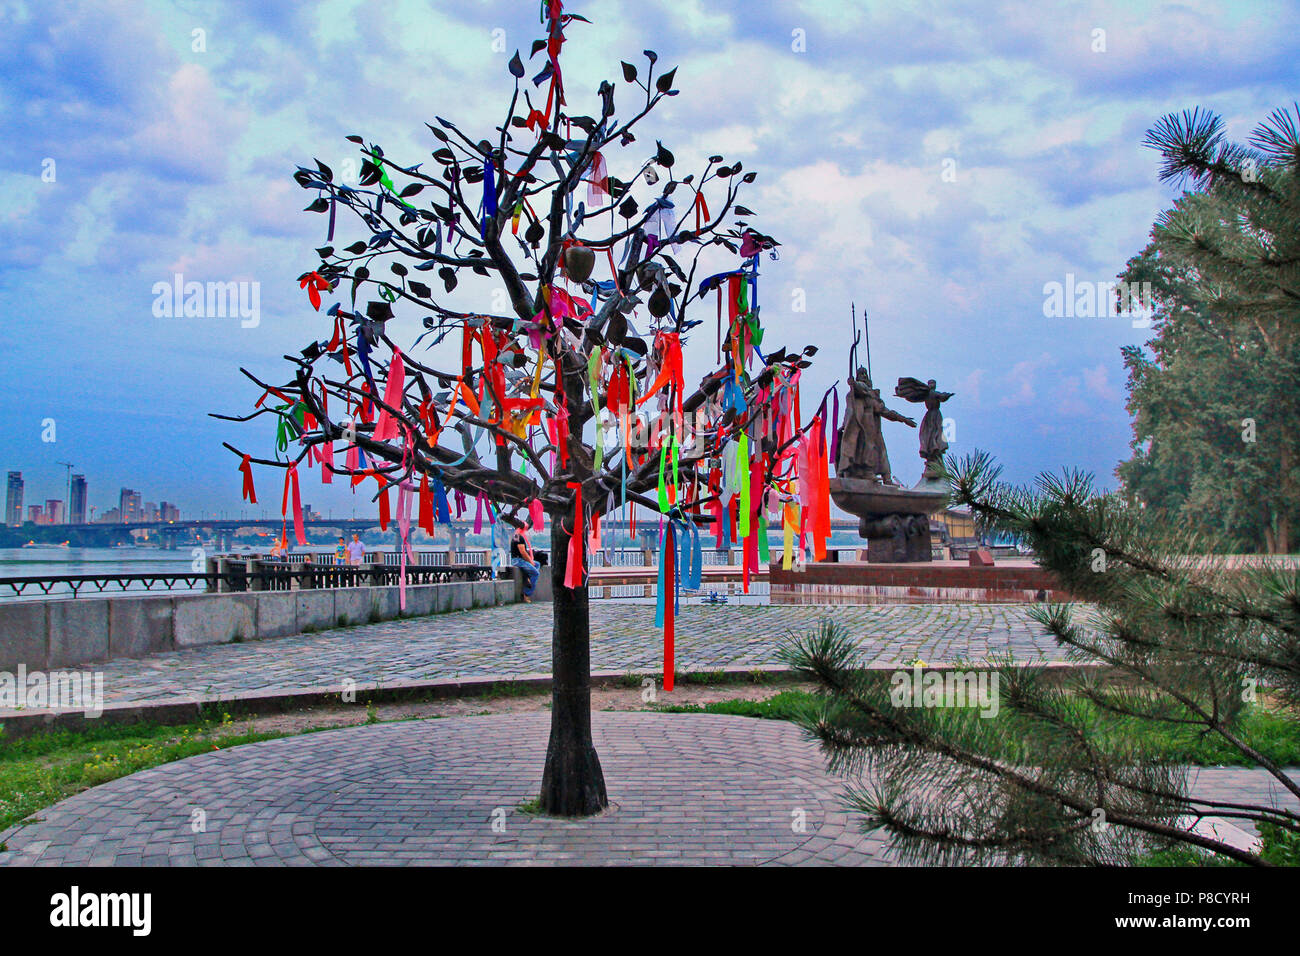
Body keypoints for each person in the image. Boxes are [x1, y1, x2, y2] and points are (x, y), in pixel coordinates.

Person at [509, 518, 540, 602]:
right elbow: (522, 552)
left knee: (537, 564)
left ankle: (528, 577)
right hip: (518, 560)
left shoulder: (516, 536)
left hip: (517, 559)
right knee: (536, 573)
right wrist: (530, 561)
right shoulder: (519, 537)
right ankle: (527, 594)